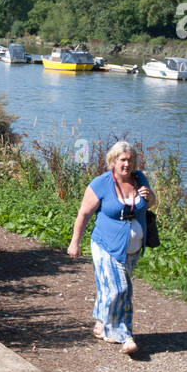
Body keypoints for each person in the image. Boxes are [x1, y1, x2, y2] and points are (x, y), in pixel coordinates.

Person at [67, 141, 155, 355]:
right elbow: (84, 214)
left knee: (110, 287)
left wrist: (150, 198)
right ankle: (124, 335)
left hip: (132, 248)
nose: (127, 164)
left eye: (130, 160)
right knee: (120, 288)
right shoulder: (101, 184)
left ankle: (102, 320)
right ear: (113, 161)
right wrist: (74, 241)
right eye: (122, 160)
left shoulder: (140, 178)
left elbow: (149, 204)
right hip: (106, 245)